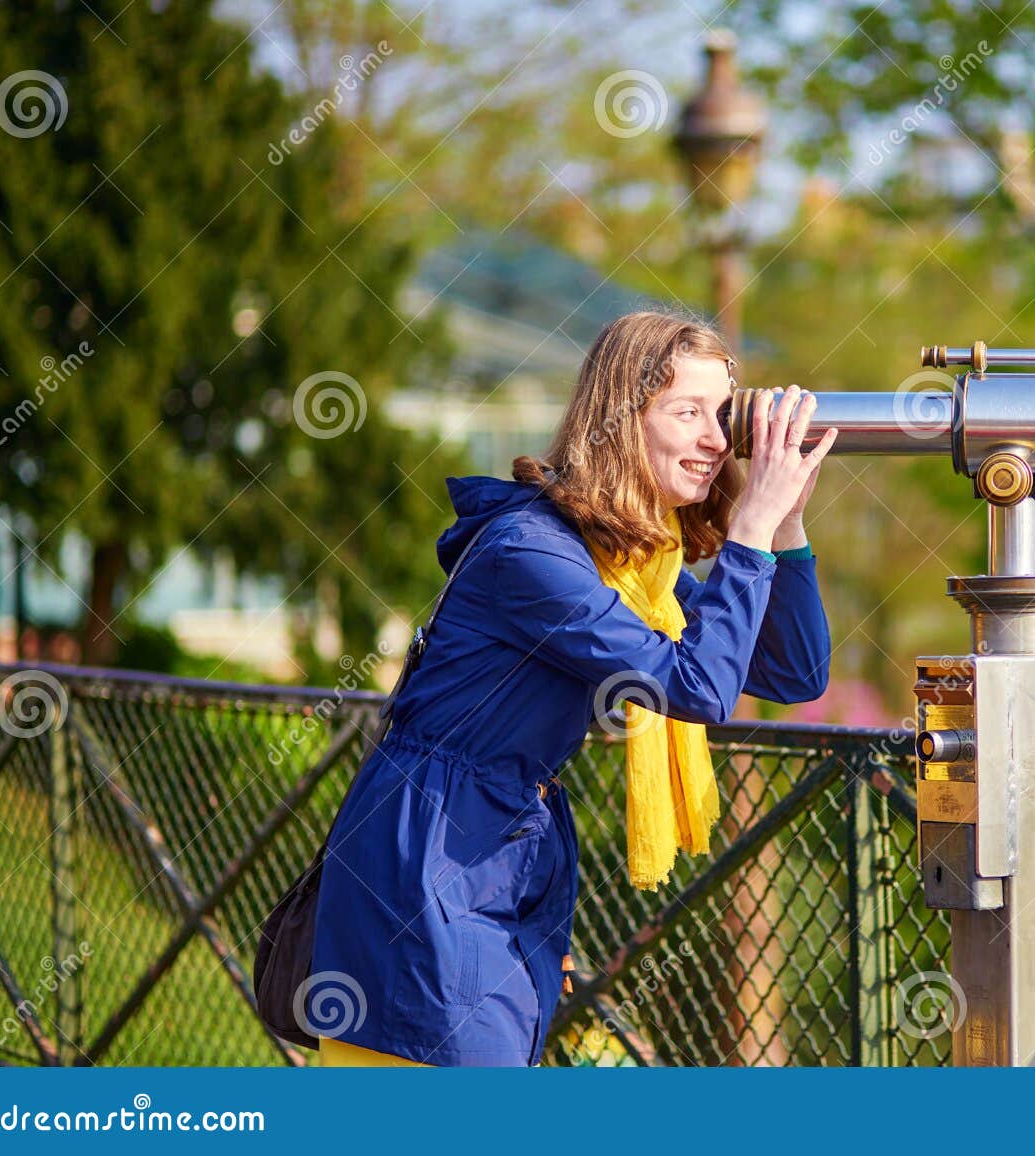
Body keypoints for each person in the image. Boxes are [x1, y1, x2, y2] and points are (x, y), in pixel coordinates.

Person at [309, 310, 838, 1066]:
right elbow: (696, 687)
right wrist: (748, 526)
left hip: (496, 857)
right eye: (688, 412)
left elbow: (791, 672)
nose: (717, 440)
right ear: (620, 421)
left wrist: (784, 524)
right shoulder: (533, 554)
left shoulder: (629, 568)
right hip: (429, 870)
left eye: (723, 416)